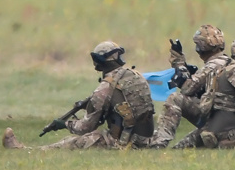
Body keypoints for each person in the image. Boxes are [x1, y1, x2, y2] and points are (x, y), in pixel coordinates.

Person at [14, 40, 155, 150]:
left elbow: (85, 128)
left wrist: (64, 124)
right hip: (146, 140)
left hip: (124, 143)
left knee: (73, 143)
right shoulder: (137, 76)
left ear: (99, 61)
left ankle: (26, 150)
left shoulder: (105, 88)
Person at [150, 24, 229, 147]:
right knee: (180, 148)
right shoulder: (227, 62)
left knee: (175, 98)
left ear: (203, 46)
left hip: (215, 120)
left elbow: (187, 89)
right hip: (224, 120)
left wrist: (179, 64)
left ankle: (159, 142)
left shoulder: (213, 65)